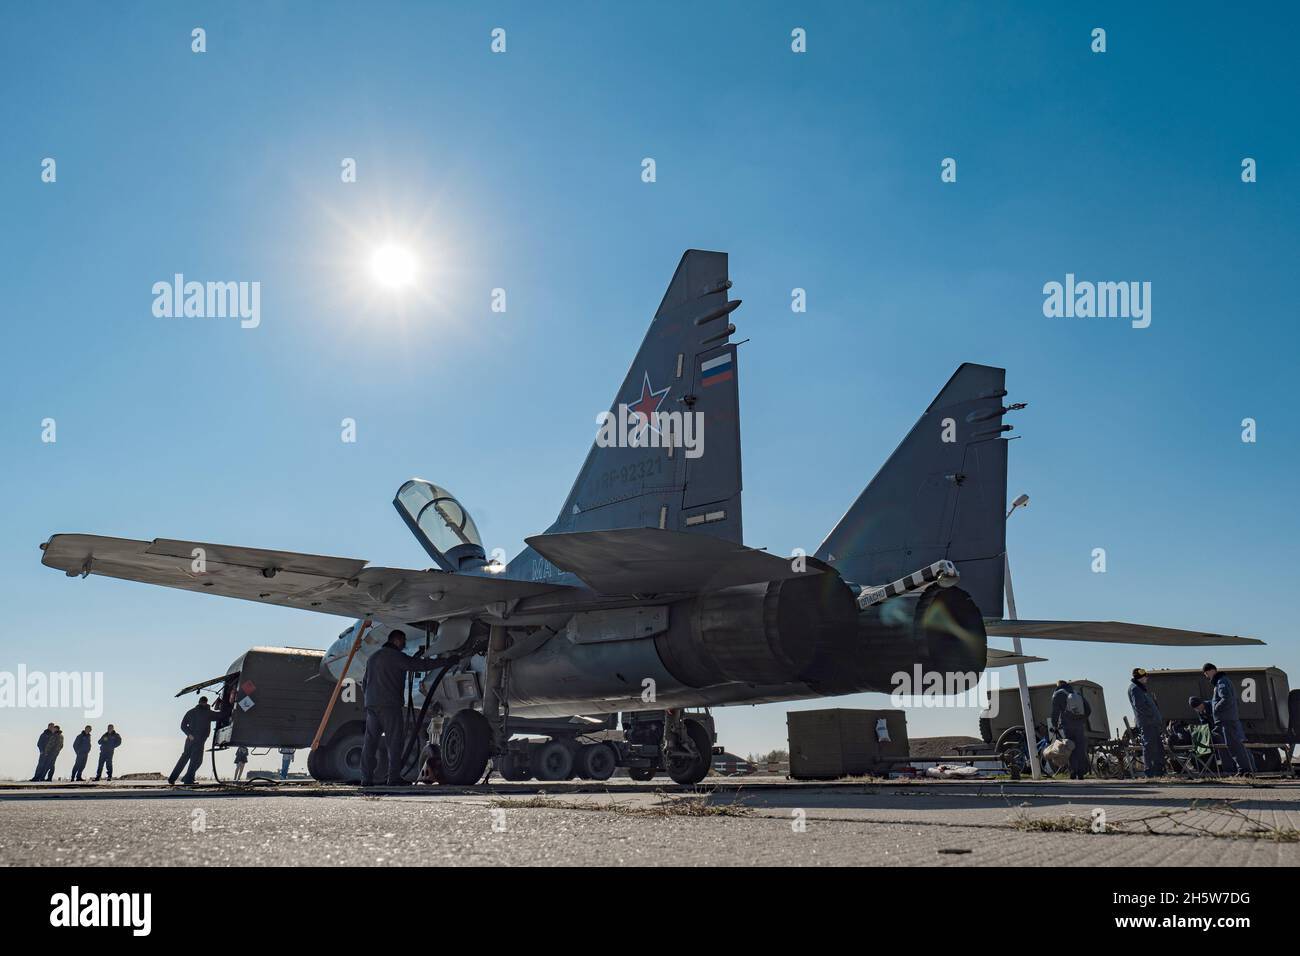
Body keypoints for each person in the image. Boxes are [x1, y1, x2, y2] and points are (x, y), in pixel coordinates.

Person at [360, 629, 428, 787]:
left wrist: (370, 700)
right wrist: (446, 661)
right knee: (394, 742)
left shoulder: (373, 657)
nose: (404, 645)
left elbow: (364, 683)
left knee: (370, 743)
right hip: (389, 706)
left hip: (371, 705)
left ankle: (366, 779)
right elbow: (418, 665)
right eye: (403, 641)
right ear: (397, 640)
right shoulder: (396, 656)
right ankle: (393, 778)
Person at [1203, 663, 1253, 775]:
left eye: (1206, 673)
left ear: (1211, 671)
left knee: (1234, 745)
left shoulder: (1221, 682)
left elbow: (1227, 698)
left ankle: (1245, 770)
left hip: (1227, 719)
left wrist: (1215, 708)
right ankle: (1243, 770)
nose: (1207, 676)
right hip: (1227, 718)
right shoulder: (1222, 681)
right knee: (1234, 745)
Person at [168, 696, 224, 785]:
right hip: (199, 740)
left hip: (190, 739)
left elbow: (183, 725)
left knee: (184, 758)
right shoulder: (207, 713)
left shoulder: (191, 712)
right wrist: (223, 705)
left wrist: (189, 734)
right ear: (205, 702)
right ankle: (188, 780)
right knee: (196, 761)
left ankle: (173, 778)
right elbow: (220, 716)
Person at [1050, 679, 1092, 779]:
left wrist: (1054, 724)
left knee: (1070, 747)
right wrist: (1081, 719)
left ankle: (1073, 772)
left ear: (1058, 685)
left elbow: (1055, 712)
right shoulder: (1076, 692)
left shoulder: (1058, 694)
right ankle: (1081, 773)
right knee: (1080, 748)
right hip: (1079, 725)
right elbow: (1089, 709)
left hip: (1067, 725)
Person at [1127, 668, 1165, 777]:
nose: (1147, 678)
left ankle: (1158, 770)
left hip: (1151, 722)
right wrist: (1152, 715)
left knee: (1157, 746)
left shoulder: (1140, 688)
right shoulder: (1135, 689)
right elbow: (1140, 707)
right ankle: (1150, 770)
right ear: (1140, 677)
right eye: (1145, 676)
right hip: (1147, 722)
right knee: (1149, 746)